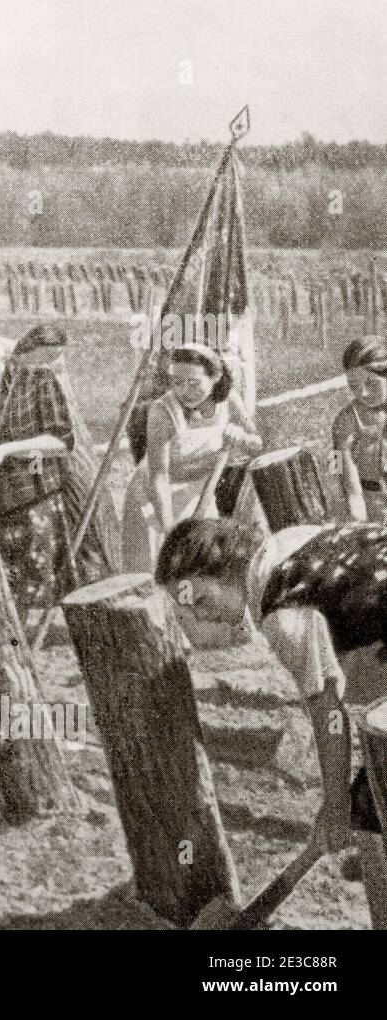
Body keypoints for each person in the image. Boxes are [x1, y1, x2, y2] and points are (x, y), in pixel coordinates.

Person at [155, 518, 387, 864]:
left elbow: (332, 716)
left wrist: (337, 805)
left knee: (373, 797)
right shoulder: (286, 543)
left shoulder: (283, 613)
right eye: (187, 609)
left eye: (200, 598)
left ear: (225, 568)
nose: (202, 616)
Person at [0, 323, 116, 623]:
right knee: (3, 592)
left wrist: (5, 449)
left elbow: (59, 441)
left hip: (42, 501)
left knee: (66, 587)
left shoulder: (36, 379)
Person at [121, 344, 262, 573]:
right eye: (176, 382)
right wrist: (170, 534)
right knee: (158, 572)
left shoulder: (230, 401)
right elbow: (159, 476)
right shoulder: (162, 411)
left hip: (198, 494)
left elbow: (257, 443)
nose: (184, 391)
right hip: (153, 500)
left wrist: (242, 438)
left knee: (201, 568)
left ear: (215, 376)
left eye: (193, 382)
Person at [333, 335, 387, 524]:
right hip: (373, 506)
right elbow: (340, 472)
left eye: (371, 383)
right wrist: (356, 516)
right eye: (354, 386)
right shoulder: (345, 421)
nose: (363, 393)